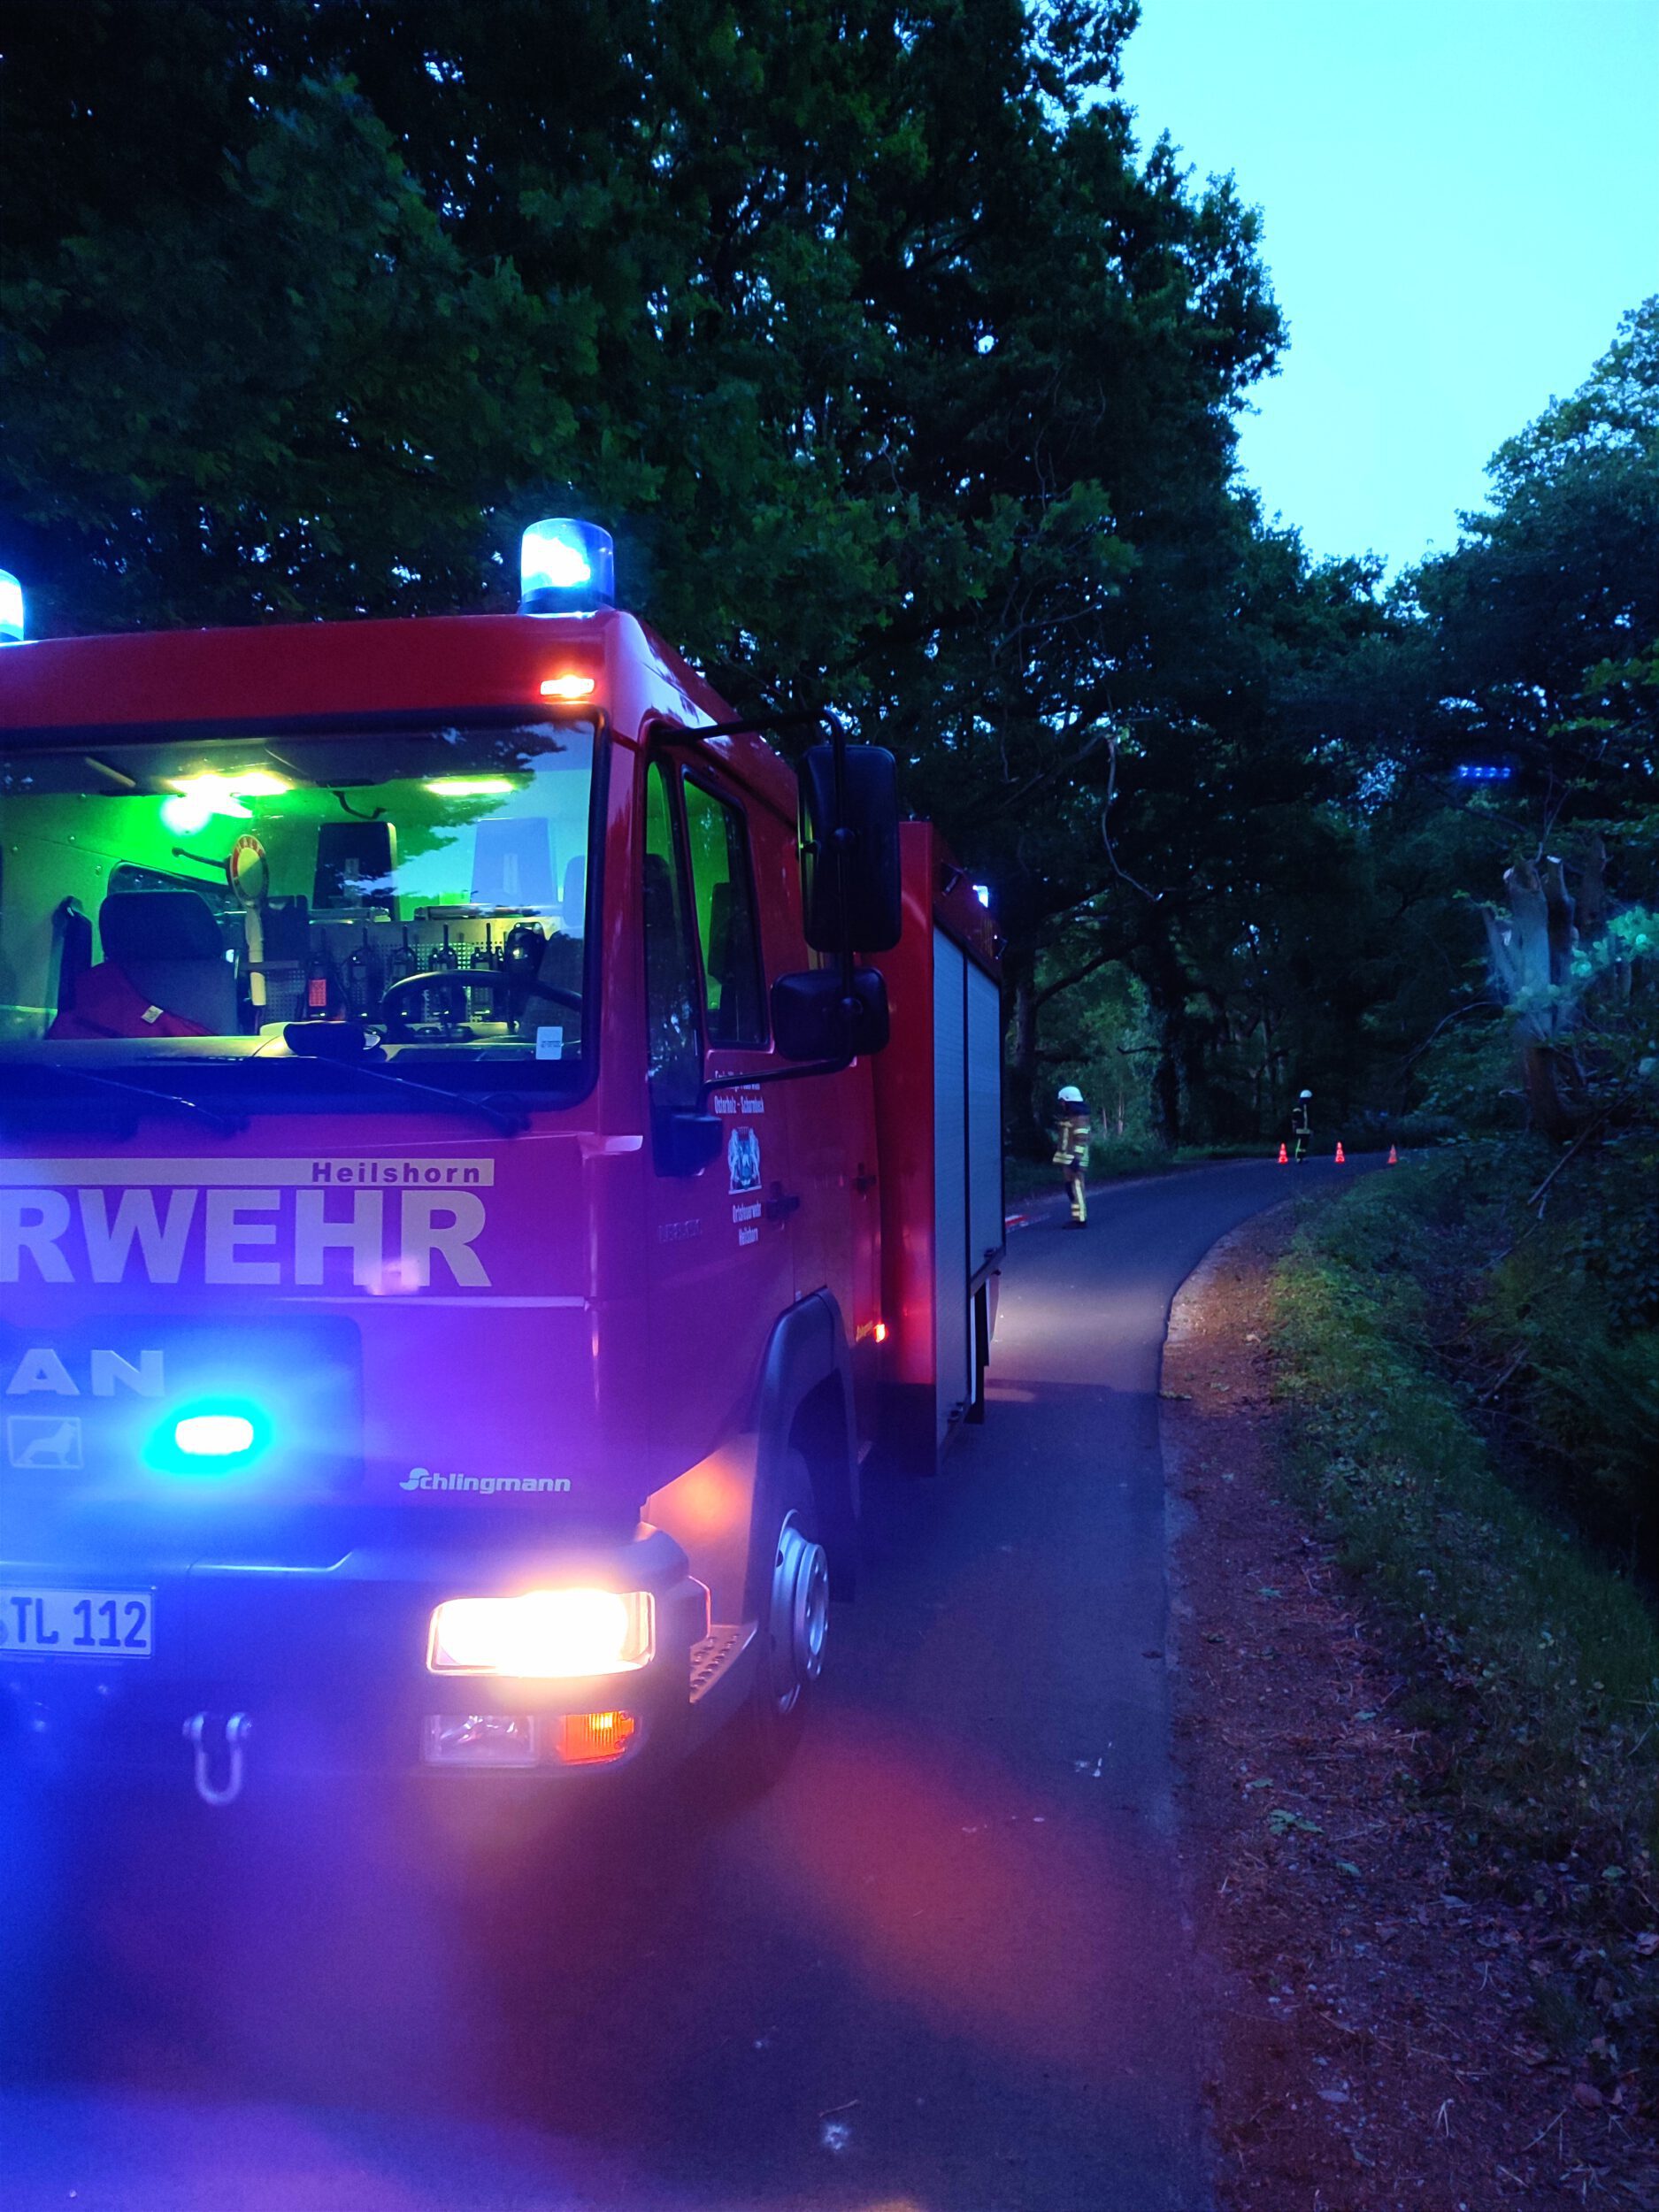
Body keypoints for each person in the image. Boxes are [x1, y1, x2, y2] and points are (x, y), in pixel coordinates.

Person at [1052, 1084, 1092, 1225]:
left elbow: (1081, 1140)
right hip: (1070, 1161)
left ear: (1069, 1101)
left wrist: (1077, 1159)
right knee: (1071, 1189)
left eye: (1063, 1102)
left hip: (1075, 1161)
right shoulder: (1071, 1118)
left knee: (1077, 1190)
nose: (1062, 1104)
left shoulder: (1079, 1119)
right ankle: (1077, 1217)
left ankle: (1080, 1219)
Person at [1291, 1088, 1313, 1164]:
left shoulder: (1309, 1107)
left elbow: (1310, 1119)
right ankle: (1298, 1157)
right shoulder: (1299, 1107)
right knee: (1301, 1143)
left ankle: (1302, 1157)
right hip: (1300, 1128)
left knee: (1305, 1143)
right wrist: (1294, 1127)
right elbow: (1294, 1117)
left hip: (1306, 1129)